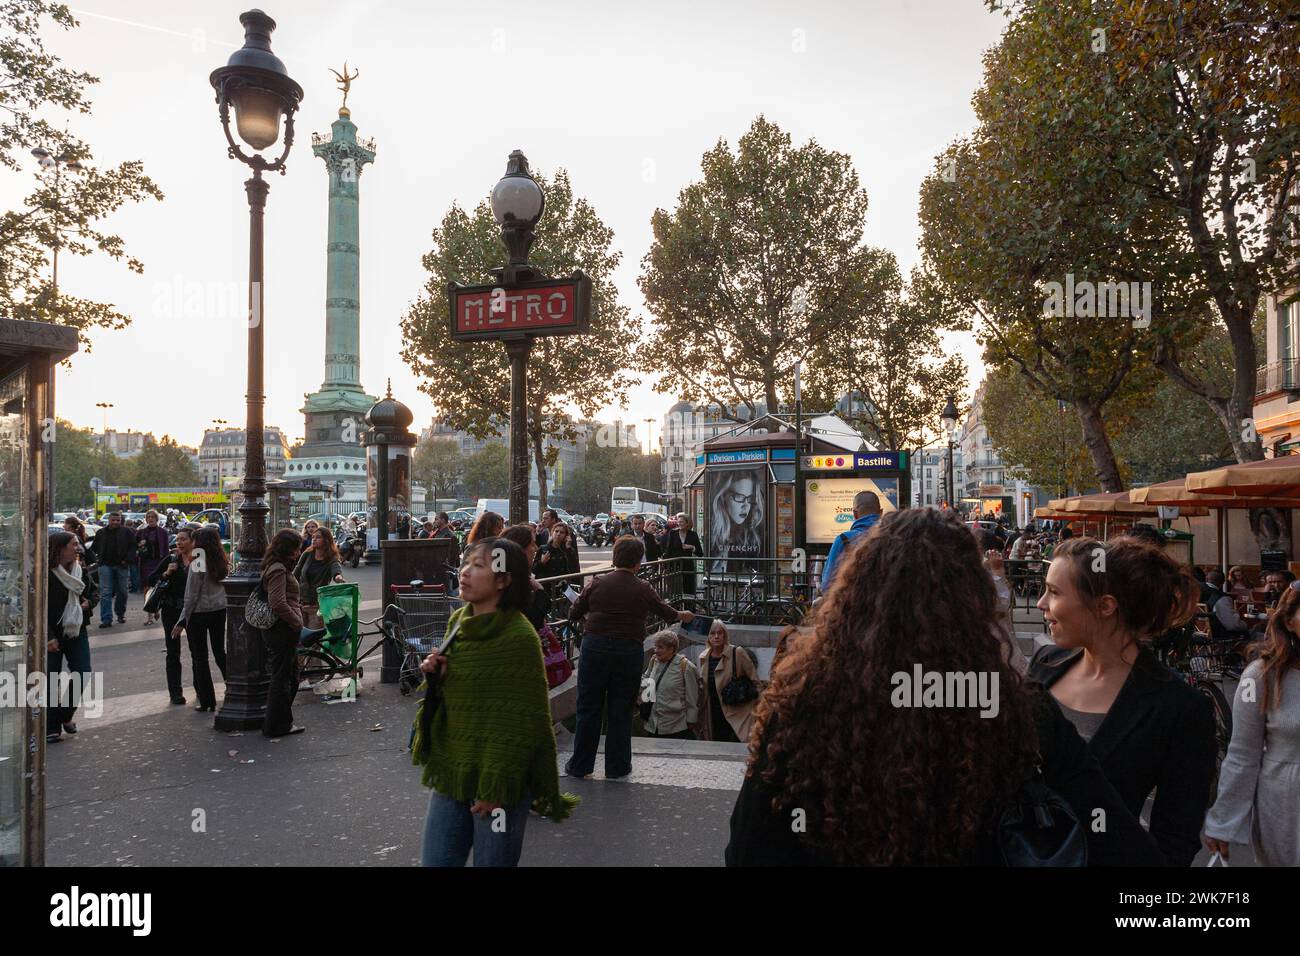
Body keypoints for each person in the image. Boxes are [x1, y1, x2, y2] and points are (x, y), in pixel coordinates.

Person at [725, 508, 1164, 866]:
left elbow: (748, 852)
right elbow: (1124, 847)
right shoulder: (1019, 715)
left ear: (853, 599)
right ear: (973, 603)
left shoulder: (802, 712)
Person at [1031, 536, 1217, 866]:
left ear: (1105, 606)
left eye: (1055, 592)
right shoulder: (1044, 665)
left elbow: (1176, 838)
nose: (1040, 604)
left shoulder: (1180, 707)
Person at [412, 538, 578, 866]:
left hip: (499, 788)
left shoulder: (519, 638)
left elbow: (525, 722)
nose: (465, 572)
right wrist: (438, 676)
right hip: (452, 769)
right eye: (466, 563)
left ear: (503, 580)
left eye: (478, 566)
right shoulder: (458, 624)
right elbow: (460, 696)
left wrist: (496, 787)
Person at [566, 535, 695, 778]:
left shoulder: (596, 582)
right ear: (638, 562)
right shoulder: (642, 588)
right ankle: (617, 766)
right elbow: (666, 612)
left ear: (615, 557)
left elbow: (574, 612)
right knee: (621, 709)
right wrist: (683, 614)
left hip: (594, 648)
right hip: (628, 650)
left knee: (588, 707)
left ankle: (581, 765)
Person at [1203, 581, 1300, 866]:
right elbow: (1243, 755)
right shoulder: (1262, 676)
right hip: (1285, 809)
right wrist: (1223, 821)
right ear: (1289, 621)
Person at [46, 532, 96, 742]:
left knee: (82, 674)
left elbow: (94, 593)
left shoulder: (80, 570)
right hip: (52, 635)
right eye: (74, 544)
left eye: (78, 544)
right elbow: (38, 608)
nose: (78, 548)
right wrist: (48, 636)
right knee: (50, 681)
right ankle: (51, 727)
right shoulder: (45, 573)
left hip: (76, 631)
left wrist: (88, 604)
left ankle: (65, 715)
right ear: (60, 547)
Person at [175, 527, 229, 713]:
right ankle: (233, 686)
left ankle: (207, 700)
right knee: (219, 651)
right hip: (219, 609)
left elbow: (191, 594)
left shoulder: (198, 560)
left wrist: (183, 619)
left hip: (199, 612)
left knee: (200, 657)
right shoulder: (221, 558)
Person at [261, 529, 305, 738]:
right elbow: (277, 602)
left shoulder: (277, 566)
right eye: (296, 548)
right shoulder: (278, 569)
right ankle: (277, 724)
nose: (298, 553)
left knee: (288, 675)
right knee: (282, 678)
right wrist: (296, 622)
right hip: (283, 629)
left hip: (281, 629)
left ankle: (280, 722)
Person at [148, 526, 194, 705]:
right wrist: (167, 573)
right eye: (178, 539)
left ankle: (201, 688)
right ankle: (175, 693)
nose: (179, 543)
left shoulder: (198, 559)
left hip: (192, 610)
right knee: (173, 651)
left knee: (196, 650)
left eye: (183, 539)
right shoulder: (171, 558)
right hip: (171, 609)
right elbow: (151, 579)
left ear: (193, 541)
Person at [698, 620, 760, 743]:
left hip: (737, 712)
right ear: (708, 636)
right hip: (713, 712)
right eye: (712, 633)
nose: (716, 636)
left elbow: (755, 681)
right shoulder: (704, 657)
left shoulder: (737, 652)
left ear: (725, 635)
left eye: (720, 633)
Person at [640, 630, 700, 739]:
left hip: (676, 726)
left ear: (671, 649)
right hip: (653, 725)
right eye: (655, 647)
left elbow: (692, 698)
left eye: (660, 647)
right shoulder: (654, 661)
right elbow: (646, 679)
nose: (656, 650)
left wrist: (691, 721)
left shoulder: (685, 666)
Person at [819, 490, 882, 593]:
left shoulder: (843, 540)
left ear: (855, 514)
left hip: (852, 605)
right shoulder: (890, 538)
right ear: (881, 512)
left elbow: (827, 583)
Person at [87, 510, 135, 628]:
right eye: (113, 520)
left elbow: (133, 547)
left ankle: (120, 613)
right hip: (105, 565)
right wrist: (96, 559)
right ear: (108, 520)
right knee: (105, 593)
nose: (115, 522)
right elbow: (94, 548)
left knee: (122, 592)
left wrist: (127, 560)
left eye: (118, 520)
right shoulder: (101, 532)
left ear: (121, 520)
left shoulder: (127, 532)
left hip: (122, 565)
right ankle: (106, 619)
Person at [708, 471, 764, 571]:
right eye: (739, 497)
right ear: (723, 497)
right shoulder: (712, 536)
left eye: (750, 498)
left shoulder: (754, 538)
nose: (746, 505)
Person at [294, 526, 345, 629]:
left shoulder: (331, 557)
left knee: (314, 636)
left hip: (317, 604)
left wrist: (337, 576)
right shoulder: (307, 553)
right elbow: (297, 571)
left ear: (326, 540)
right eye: (313, 537)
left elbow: (335, 567)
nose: (314, 539)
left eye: (318, 537)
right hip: (301, 602)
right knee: (299, 635)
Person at [502, 524, 550, 632]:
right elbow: (533, 620)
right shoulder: (510, 581)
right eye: (532, 544)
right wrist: (540, 591)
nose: (536, 548)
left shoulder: (510, 576)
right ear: (519, 549)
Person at [136, 510, 170, 625]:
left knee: (158, 587)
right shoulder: (140, 532)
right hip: (145, 563)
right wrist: (139, 545)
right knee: (146, 588)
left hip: (158, 563)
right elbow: (133, 546)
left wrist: (167, 564)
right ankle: (149, 615)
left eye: (153, 517)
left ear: (157, 519)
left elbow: (166, 549)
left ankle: (156, 608)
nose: (150, 519)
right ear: (146, 519)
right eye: (148, 517)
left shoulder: (163, 532)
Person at [664, 512, 704, 597]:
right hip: (674, 566)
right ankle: (676, 609)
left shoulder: (693, 534)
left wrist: (692, 547)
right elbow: (668, 550)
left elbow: (700, 553)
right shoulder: (673, 533)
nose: (679, 524)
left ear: (687, 523)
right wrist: (666, 566)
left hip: (687, 566)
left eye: (681, 522)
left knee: (688, 590)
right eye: (678, 522)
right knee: (675, 592)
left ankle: (689, 608)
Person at [1203, 569, 1249, 639]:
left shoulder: (1195, 594)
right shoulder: (1221, 598)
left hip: (1198, 634)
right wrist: (1246, 624)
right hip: (1218, 636)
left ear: (1206, 579)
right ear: (1222, 583)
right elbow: (1232, 625)